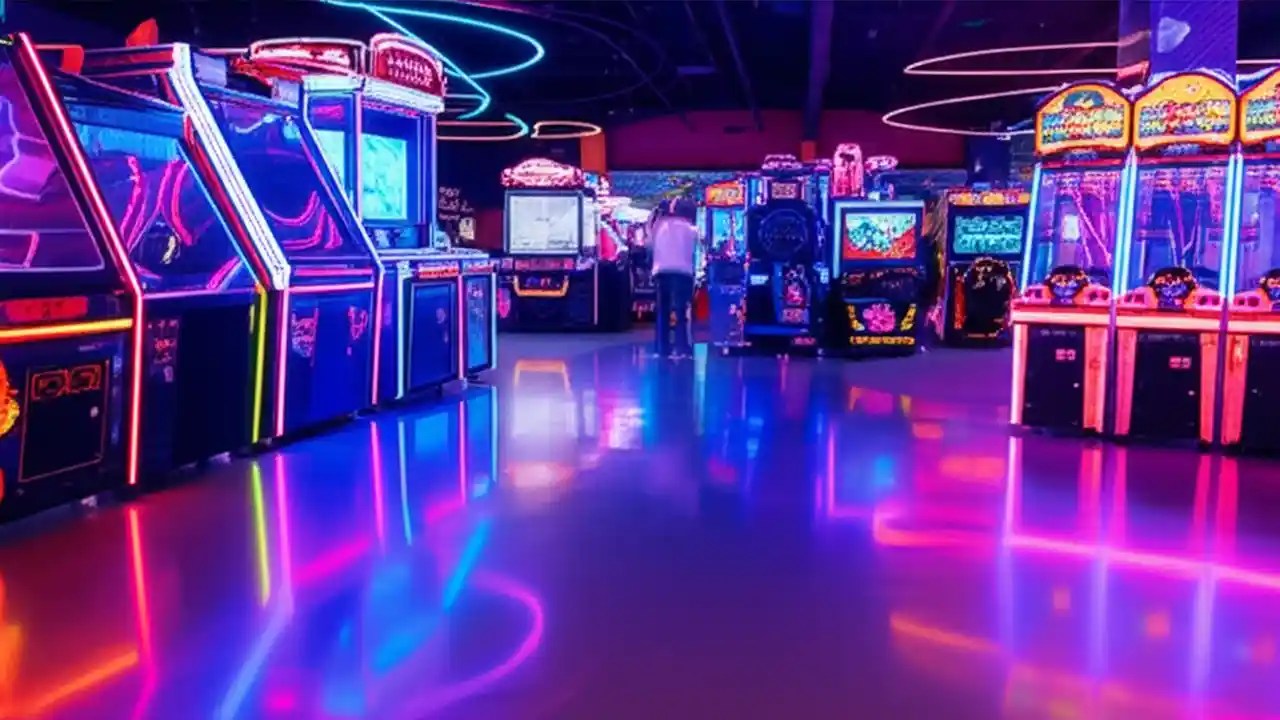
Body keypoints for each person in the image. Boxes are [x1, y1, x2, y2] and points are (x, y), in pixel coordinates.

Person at [649, 198, 698, 358]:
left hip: (661, 271)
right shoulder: (690, 229)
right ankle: (682, 348)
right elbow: (694, 250)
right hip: (682, 272)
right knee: (681, 311)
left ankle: (662, 349)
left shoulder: (659, 226)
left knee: (663, 311)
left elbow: (649, 245)